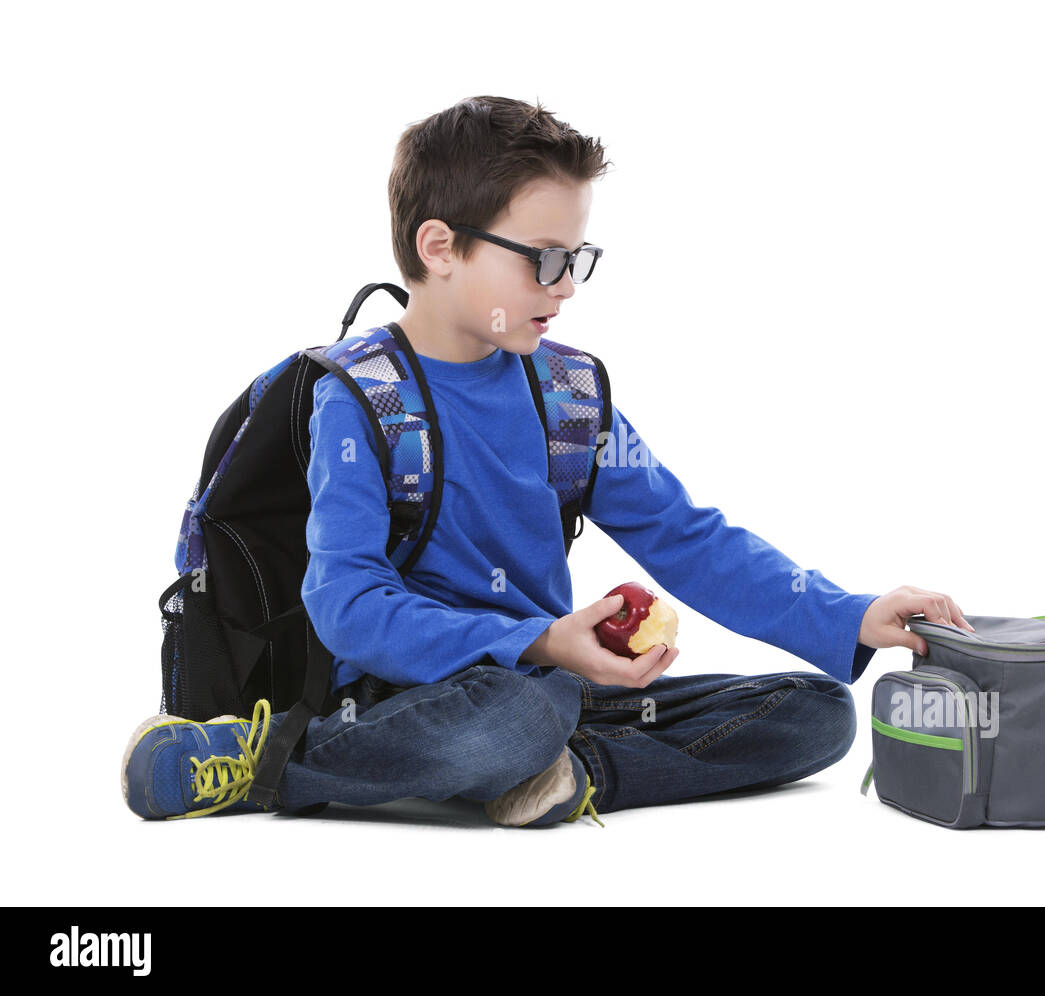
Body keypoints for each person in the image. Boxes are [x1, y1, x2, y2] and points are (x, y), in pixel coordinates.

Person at [122, 95, 975, 827]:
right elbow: (347, 606)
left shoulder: (569, 394)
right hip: (405, 696)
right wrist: (540, 642)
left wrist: (850, 613)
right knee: (509, 719)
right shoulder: (360, 398)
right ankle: (273, 762)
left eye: (578, 261)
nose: (566, 287)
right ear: (439, 246)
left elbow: (687, 536)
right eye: (545, 261)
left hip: (552, 682)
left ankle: (562, 778)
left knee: (817, 715)